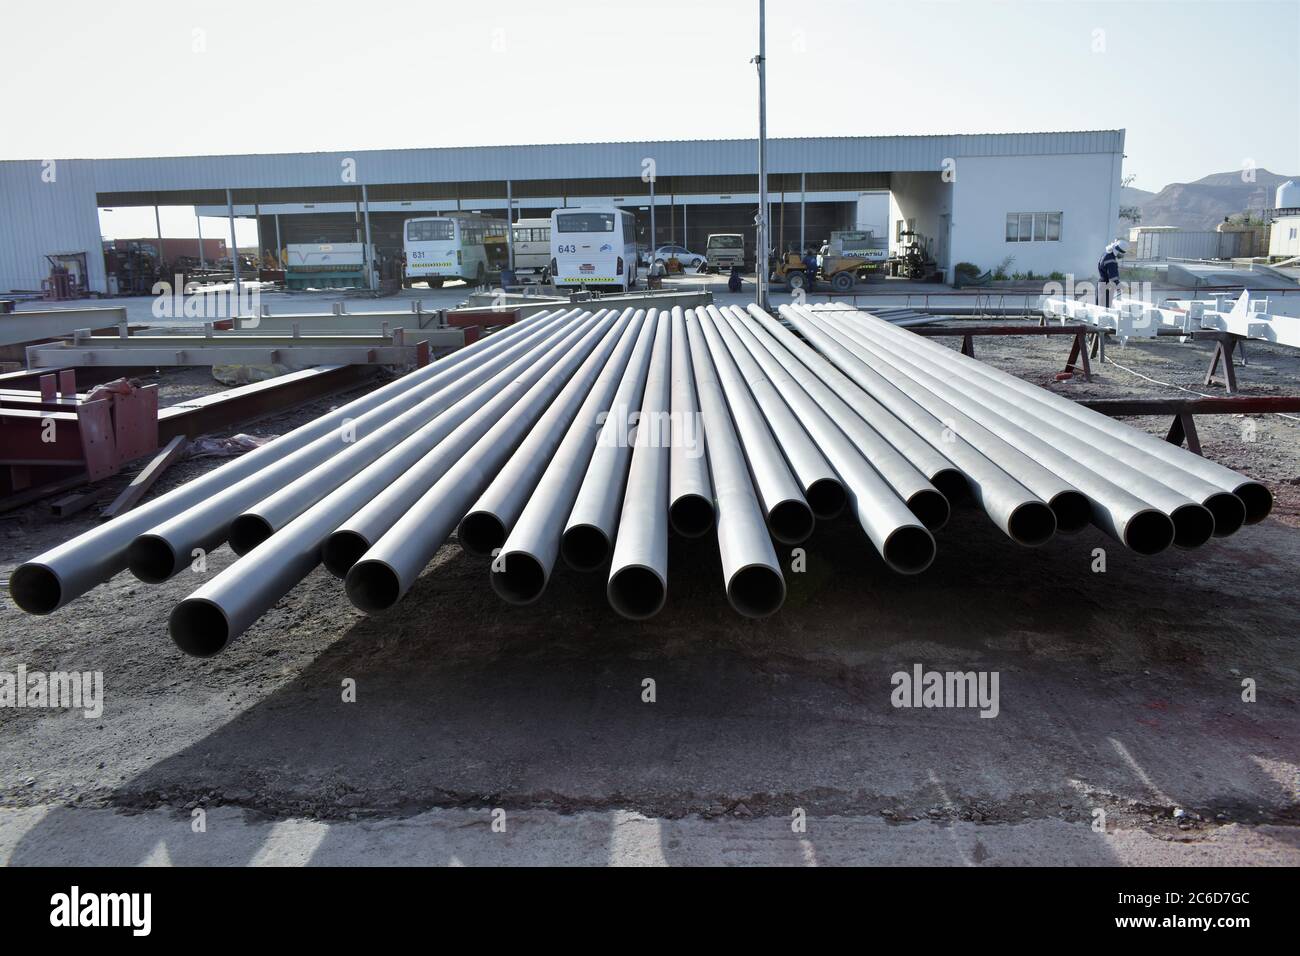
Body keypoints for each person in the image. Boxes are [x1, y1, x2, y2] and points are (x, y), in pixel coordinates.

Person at [1097, 239, 1127, 307]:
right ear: (1117, 251)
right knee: (1105, 309)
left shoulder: (1106, 254)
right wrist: (1124, 288)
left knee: (1099, 307)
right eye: (1121, 253)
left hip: (1101, 284)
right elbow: (1113, 278)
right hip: (1107, 286)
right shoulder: (1111, 260)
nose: (1122, 255)